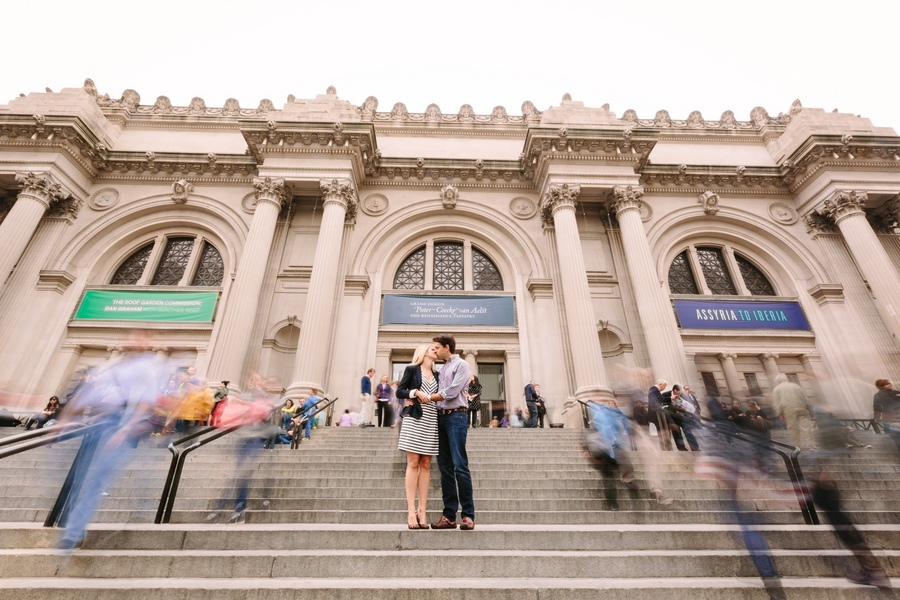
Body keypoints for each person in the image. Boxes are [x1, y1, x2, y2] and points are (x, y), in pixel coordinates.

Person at [429, 334, 475, 530]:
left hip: (457, 417)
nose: (435, 350)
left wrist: (429, 397)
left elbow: (453, 391)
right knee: (445, 468)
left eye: (437, 347)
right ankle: (448, 516)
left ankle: (468, 515)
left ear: (447, 347)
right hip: (440, 417)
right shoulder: (441, 369)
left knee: (460, 466)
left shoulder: (462, 365)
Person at [396, 343, 440, 529]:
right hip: (414, 419)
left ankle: (422, 510)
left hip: (431, 420)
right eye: (432, 349)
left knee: (426, 463)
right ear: (424, 352)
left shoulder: (438, 374)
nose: (436, 351)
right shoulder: (412, 369)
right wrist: (415, 392)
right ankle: (411, 510)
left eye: (437, 349)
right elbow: (400, 391)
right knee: (413, 462)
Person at [772, 374, 814, 449]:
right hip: (801, 407)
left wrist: (780, 413)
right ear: (786, 379)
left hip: (788, 409)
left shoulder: (777, 389)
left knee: (793, 429)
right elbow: (804, 397)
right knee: (807, 428)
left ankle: (798, 447)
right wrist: (808, 408)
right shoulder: (796, 386)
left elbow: (777, 403)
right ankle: (811, 446)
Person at [873, 379, 900, 445]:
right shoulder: (895, 393)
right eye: (887, 383)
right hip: (894, 419)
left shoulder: (877, 395)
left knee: (896, 438)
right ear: (882, 385)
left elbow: (877, 407)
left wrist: (877, 417)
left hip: (889, 419)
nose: (890, 384)